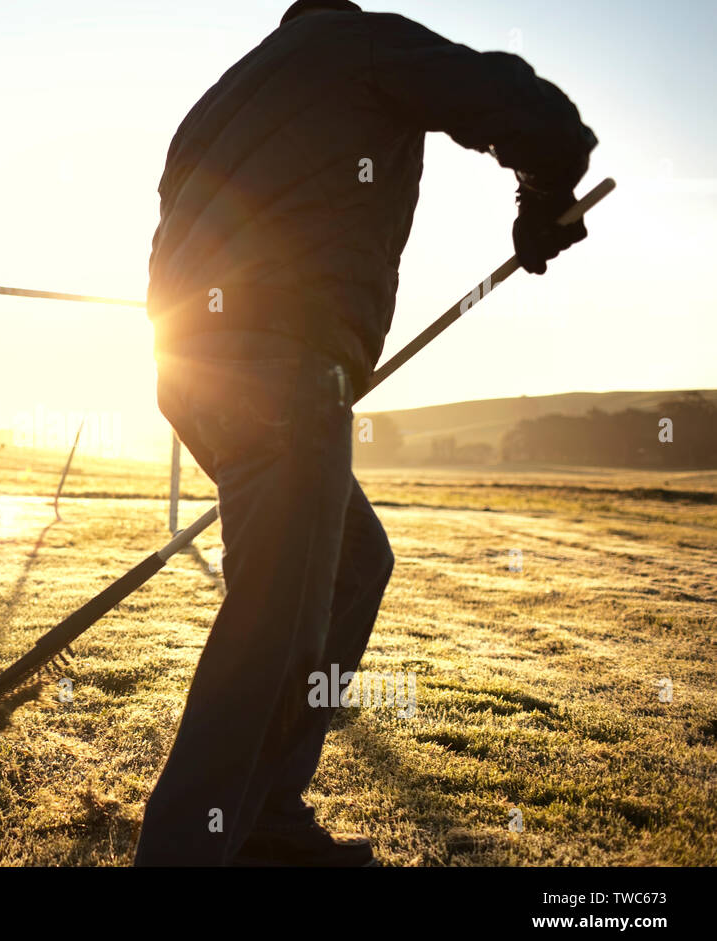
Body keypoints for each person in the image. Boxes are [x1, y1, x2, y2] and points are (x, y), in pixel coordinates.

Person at [136, 0, 597, 866]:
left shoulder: (224, 95)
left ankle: (266, 817)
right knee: (276, 620)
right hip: (282, 363)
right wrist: (544, 203)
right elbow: (532, 115)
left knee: (350, 565)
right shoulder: (358, 42)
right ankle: (188, 850)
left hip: (193, 369)